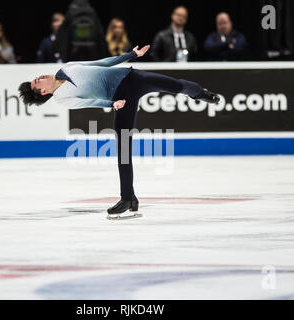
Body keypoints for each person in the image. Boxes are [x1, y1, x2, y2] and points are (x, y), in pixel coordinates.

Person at [18, 45, 220, 217]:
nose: (41, 76)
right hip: (120, 100)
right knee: (124, 148)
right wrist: (111, 103)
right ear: (43, 92)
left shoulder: (67, 68)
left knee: (176, 85)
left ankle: (201, 94)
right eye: (38, 81)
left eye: (37, 77)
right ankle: (128, 198)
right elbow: (89, 102)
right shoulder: (63, 99)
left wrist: (130, 55)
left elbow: (102, 63)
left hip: (132, 77)